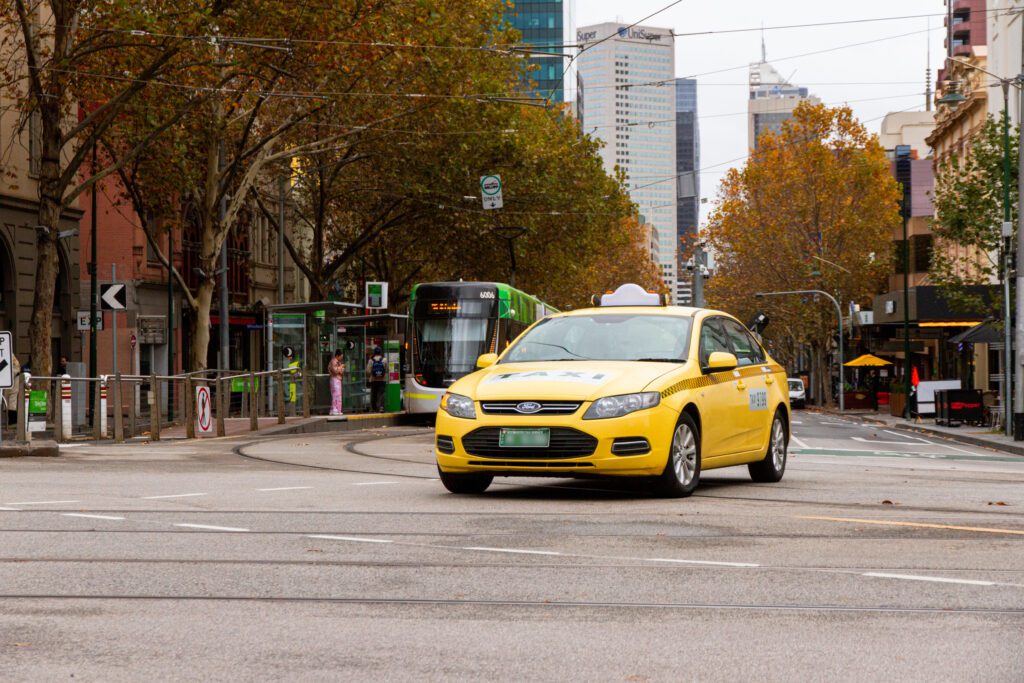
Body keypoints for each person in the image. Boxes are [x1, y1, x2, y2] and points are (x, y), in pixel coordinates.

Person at [366, 346, 386, 413]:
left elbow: (368, 371)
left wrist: (371, 375)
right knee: (381, 394)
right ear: (380, 352)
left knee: (373, 394)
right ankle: (381, 407)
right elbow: (387, 369)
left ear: (374, 352)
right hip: (382, 380)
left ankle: (374, 409)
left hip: (373, 380)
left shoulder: (371, 360)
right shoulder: (384, 360)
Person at [283, 346, 300, 415]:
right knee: (291, 396)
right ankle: (291, 411)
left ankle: (292, 411)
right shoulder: (291, 361)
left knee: (292, 396)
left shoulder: (294, 361)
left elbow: (298, 372)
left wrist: (298, 374)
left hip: (292, 381)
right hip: (289, 381)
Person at [328, 349, 345, 415]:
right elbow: (335, 371)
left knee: (338, 394)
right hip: (334, 379)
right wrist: (341, 367)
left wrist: (340, 368)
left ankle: (337, 409)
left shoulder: (338, 362)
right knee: (335, 394)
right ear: (337, 355)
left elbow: (341, 371)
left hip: (338, 379)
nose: (341, 358)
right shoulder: (333, 361)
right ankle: (334, 409)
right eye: (341, 356)